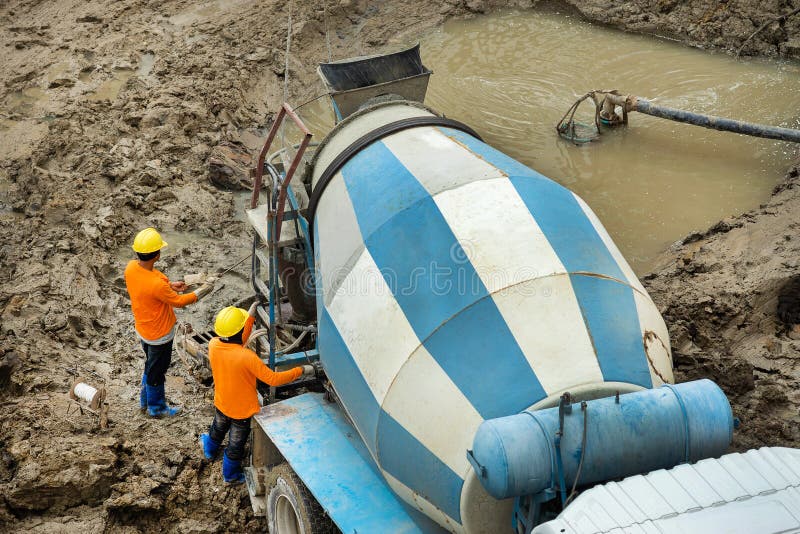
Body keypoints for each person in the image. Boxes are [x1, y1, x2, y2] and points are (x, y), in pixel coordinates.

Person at [200, 304, 314, 484]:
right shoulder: (247, 358)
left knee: (218, 428)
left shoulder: (214, 345)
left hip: (222, 402)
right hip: (241, 411)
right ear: (241, 332)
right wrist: (300, 370)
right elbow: (274, 379)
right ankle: (230, 476)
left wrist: (250, 315)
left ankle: (209, 450)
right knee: (236, 445)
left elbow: (237, 339)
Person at [124, 227, 214, 417]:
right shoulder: (156, 285)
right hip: (160, 335)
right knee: (157, 371)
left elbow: (152, 285)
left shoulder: (131, 268)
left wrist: (171, 285)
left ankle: (145, 401)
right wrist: (202, 291)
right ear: (156, 255)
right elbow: (179, 301)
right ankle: (156, 409)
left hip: (144, 329)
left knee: (151, 365)